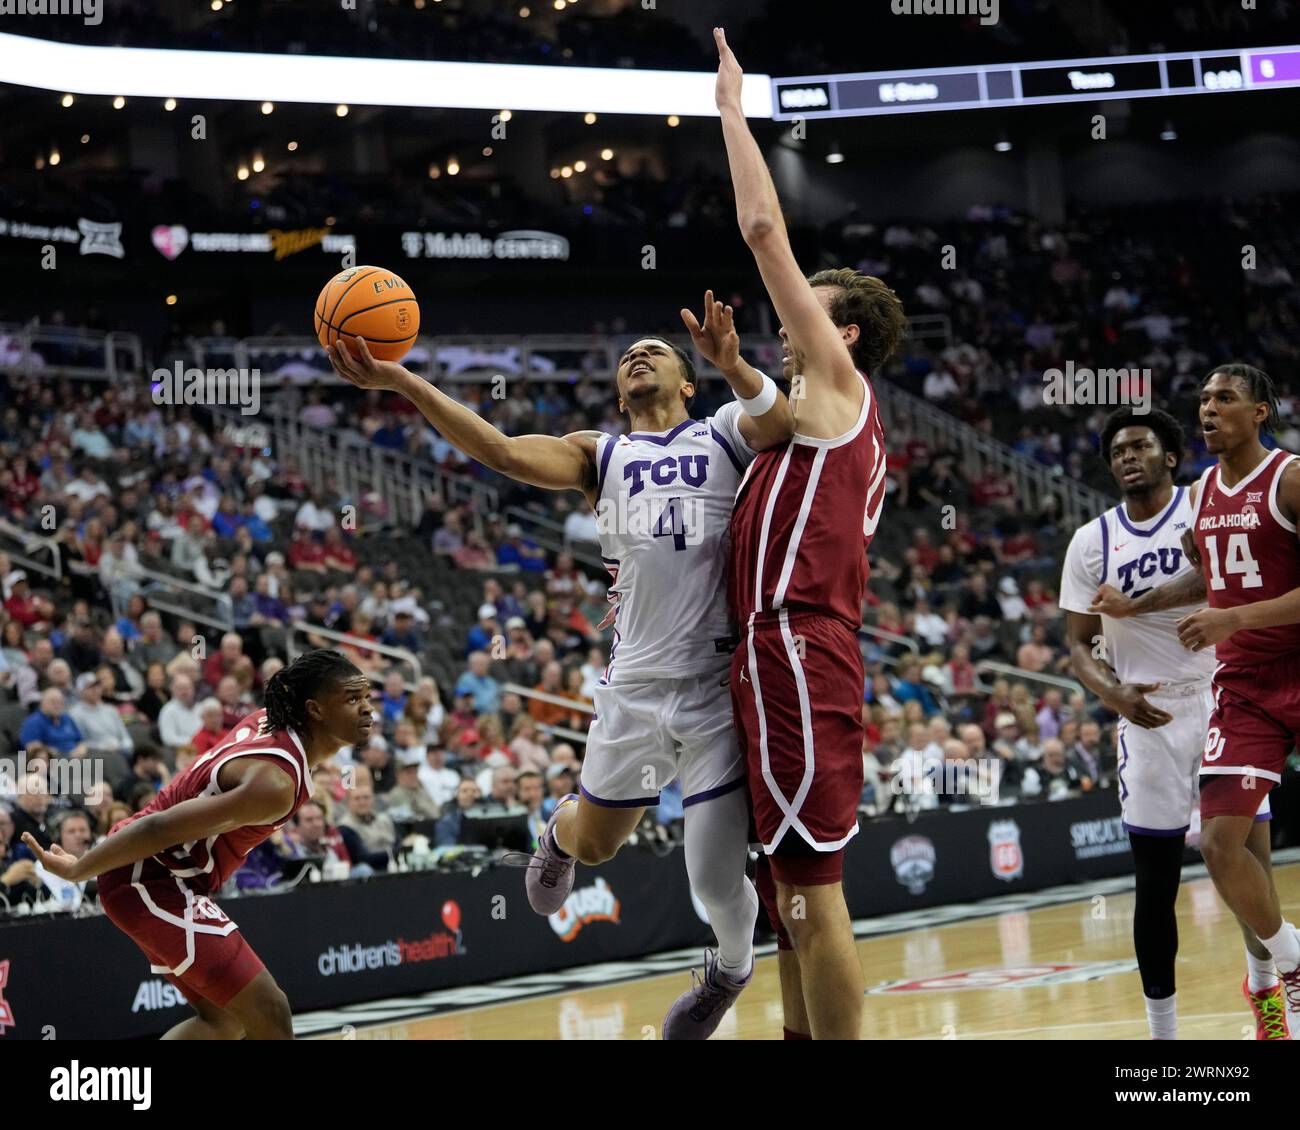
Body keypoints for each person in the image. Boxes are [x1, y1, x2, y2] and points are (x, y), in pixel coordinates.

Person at [326, 279, 795, 1039]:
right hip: (637, 685)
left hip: (715, 687)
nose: (639, 354)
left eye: (657, 352)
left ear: (687, 380)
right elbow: (502, 451)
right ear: (618, 396)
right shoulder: (600, 454)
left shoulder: (724, 431)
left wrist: (738, 365)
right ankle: (555, 836)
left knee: (711, 878)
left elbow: (780, 425)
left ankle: (730, 971)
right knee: (598, 845)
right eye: (628, 356)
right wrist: (402, 379)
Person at [713, 27, 905, 1041]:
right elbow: (759, 413)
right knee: (787, 892)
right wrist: (739, 370)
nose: (787, 322)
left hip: (796, 640)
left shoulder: (836, 380)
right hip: (774, 649)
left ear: (847, 336)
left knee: (812, 891)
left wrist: (732, 113)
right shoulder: (806, 415)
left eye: (807, 316)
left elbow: (759, 227)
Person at [22, 649, 374, 1040]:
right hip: (150, 877)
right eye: (352, 698)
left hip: (161, 874)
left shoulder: (270, 724)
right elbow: (160, 828)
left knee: (226, 1020)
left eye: (367, 697)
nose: (367, 709)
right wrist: (79, 870)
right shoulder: (274, 783)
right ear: (315, 709)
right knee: (270, 1010)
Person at [1080, 398, 1293, 1039]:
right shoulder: (1093, 539)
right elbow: (1074, 642)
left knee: (1242, 858)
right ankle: (1164, 1039)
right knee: (1158, 882)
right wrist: (1111, 690)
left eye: (1141, 447)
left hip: (1222, 690)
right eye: (1118, 452)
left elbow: (1219, 582)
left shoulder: (1205, 499)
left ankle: (1270, 998)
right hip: (1147, 714)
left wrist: (1140, 602)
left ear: (1169, 457)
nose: (1130, 458)